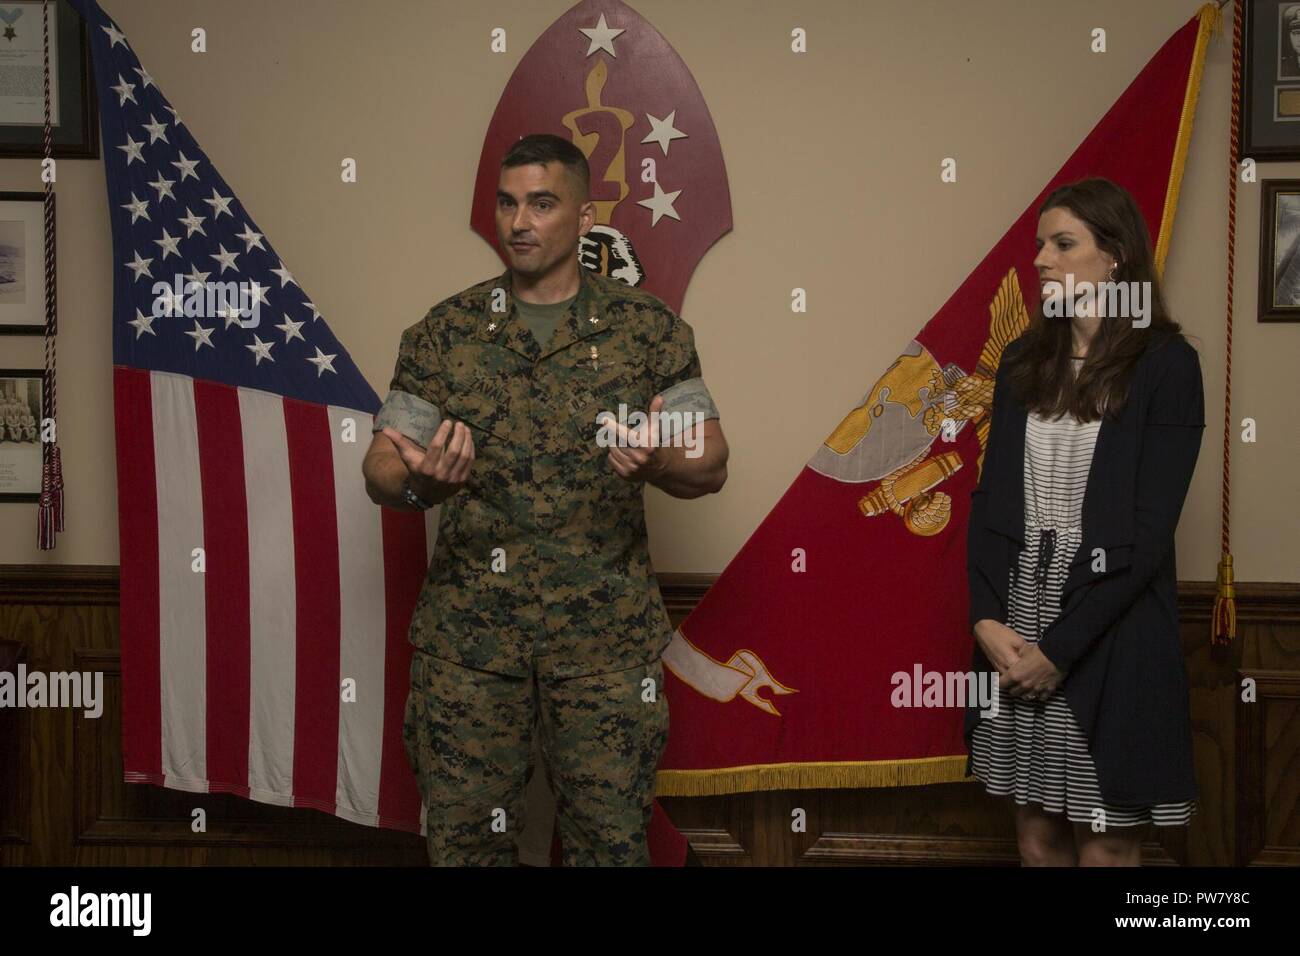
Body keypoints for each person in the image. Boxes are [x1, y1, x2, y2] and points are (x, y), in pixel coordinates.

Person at [361, 133, 728, 865]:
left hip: (602, 652)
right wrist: (419, 483)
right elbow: (379, 466)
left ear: (584, 217)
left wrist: (656, 459)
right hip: (470, 649)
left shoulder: (648, 331)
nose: (518, 221)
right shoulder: (444, 332)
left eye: (540, 203)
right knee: (465, 849)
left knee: (610, 847)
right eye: (506, 203)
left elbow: (712, 460)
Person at [964, 177, 1204, 866]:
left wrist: (1061, 650)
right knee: (1036, 835)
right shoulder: (1022, 360)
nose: (1040, 259)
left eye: (1063, 244)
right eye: (1039, 244)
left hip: (1112, 619)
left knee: (1106, 846)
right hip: (1017, 614)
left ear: (1117, 257)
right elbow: (988, 508)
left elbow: (1149, 536)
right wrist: (985, 618)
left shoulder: (1167, 365)